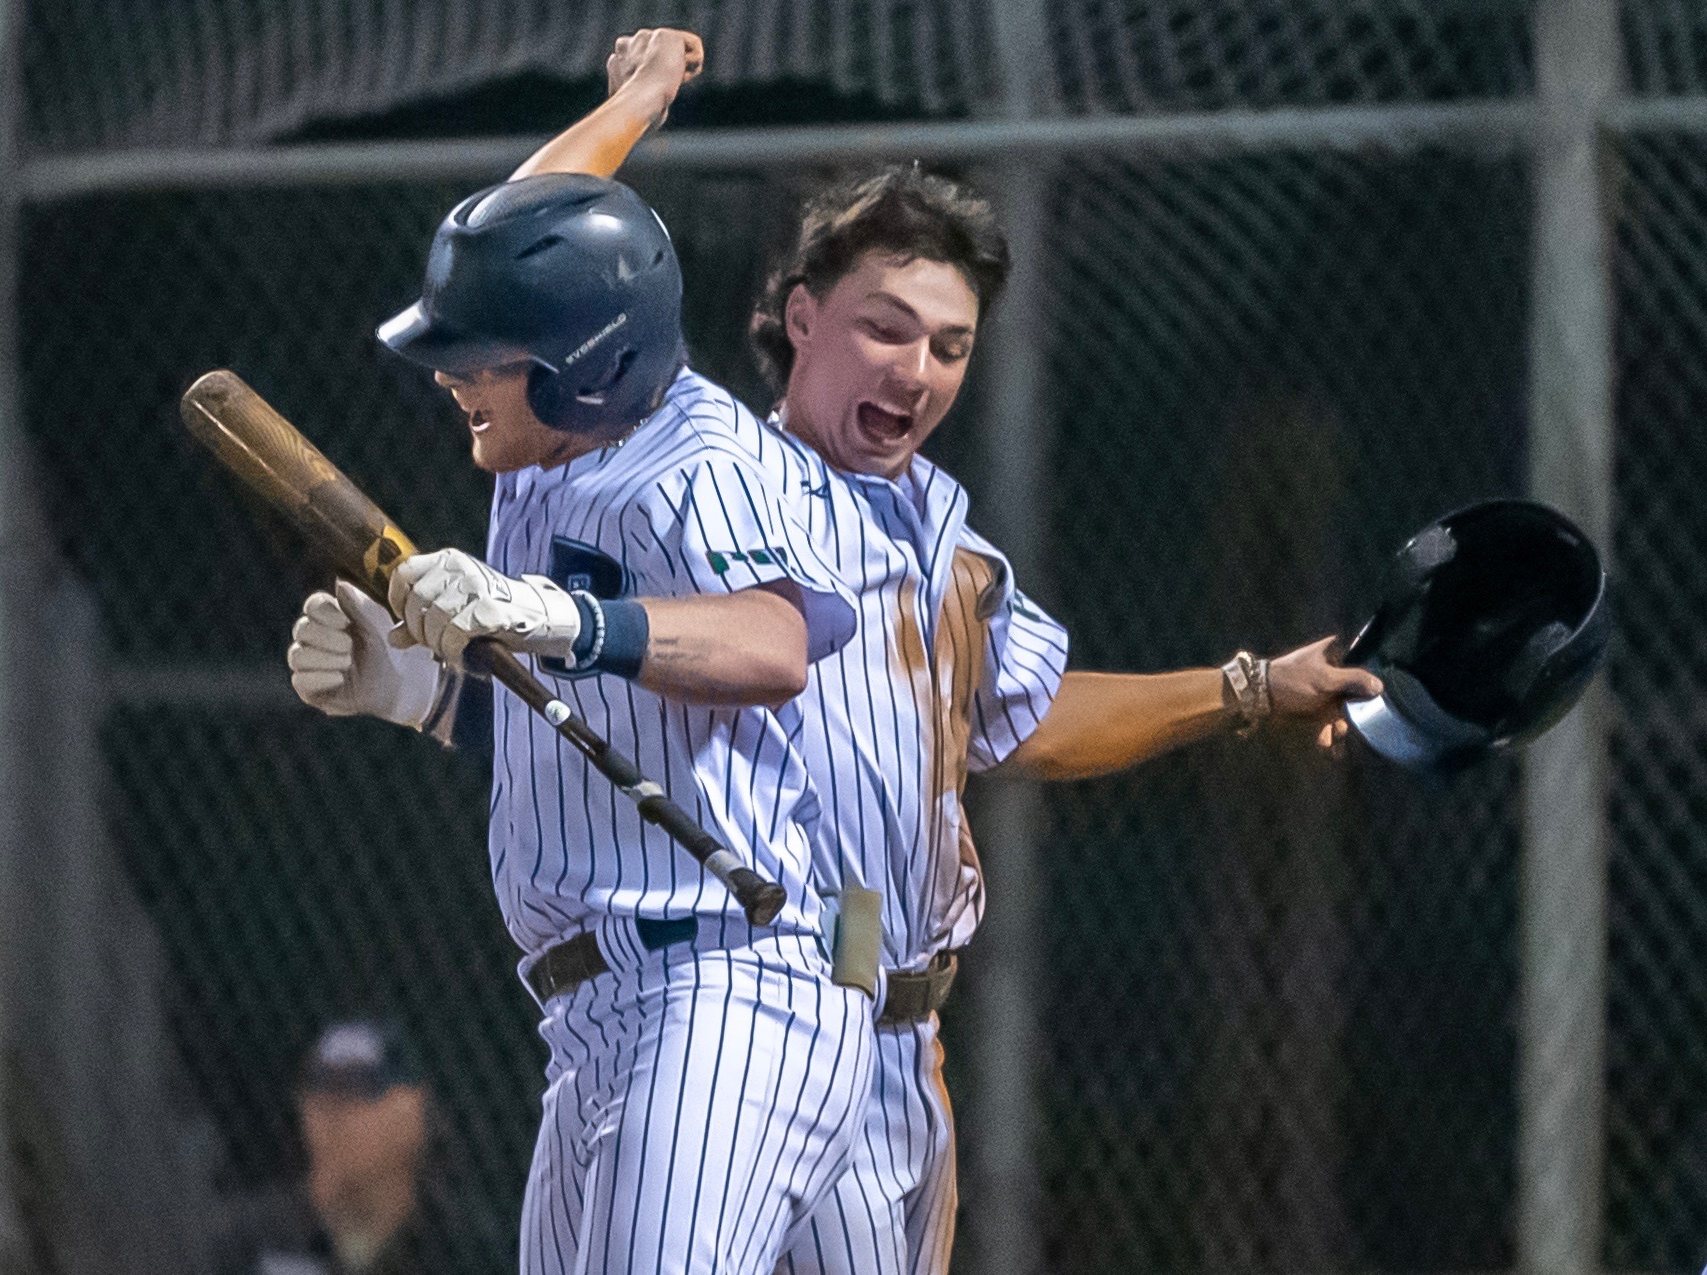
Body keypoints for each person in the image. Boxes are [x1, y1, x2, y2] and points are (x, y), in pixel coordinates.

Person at [509, 29, 1386, 1275]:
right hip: (736, 1002)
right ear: (797, 317)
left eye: (948, 345)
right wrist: (634, 109)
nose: (915, 370)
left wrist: (1247, 689)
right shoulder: (710, 468)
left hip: (886, 1033)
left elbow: (1022, 715)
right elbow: (524, 259)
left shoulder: (941, 537)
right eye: (883, 328)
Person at [284, 167, 881, 1273]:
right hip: (603, 1018)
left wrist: (551, 612)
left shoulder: (694, 463)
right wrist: (411, 689)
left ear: (587, 365)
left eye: (484, 358)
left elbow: (771, 645)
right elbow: (580, 727)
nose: (453, 377)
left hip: (722, 988)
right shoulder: (542, 457)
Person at [210, 1020, 504, 1275]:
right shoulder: (257, 1236)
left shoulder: (462, 1245)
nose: (331, 1108)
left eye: (358, 1086)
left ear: (411, 1113)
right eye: (320, 1083)